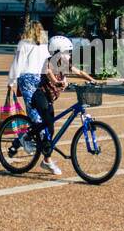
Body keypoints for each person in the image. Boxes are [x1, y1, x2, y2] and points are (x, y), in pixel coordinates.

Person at [26, 35, 98, 176]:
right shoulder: (49, 63)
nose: (69, 55)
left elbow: (79, 72)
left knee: (50, 130)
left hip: (50, 100)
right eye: (66, 52)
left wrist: (92, 79)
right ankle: (26, 137)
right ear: (56, 52)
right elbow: (49, 74)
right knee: (48, 124)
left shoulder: (66, 64)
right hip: (40, 96)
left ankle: (46, 161)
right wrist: (57, 82)